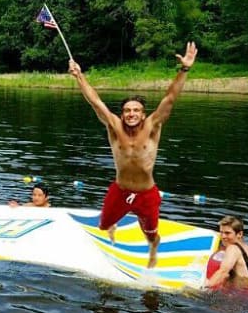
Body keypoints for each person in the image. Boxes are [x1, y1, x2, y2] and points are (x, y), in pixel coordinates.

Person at [68, 41, 197, 269]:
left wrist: (184, 69)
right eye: (127, 110)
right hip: (120, 191)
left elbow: (169, 99)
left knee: (150, 235)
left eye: (136, 110)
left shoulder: (152, 127)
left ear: (143, 113)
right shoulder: (114, 127)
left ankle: (154, 250)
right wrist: (79, 76)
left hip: (146, 194)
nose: (131, 114)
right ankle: (115, 224)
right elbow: (95, 102)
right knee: (103, 225)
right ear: (122, 113)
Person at [205, 215, 248, 289]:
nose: (223, 236)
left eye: (227, 233)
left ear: (239, 234)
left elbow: (223, 272)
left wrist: (204, 288)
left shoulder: (232, 248)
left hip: (242, 294)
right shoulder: (246, 247)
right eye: (221, 232)